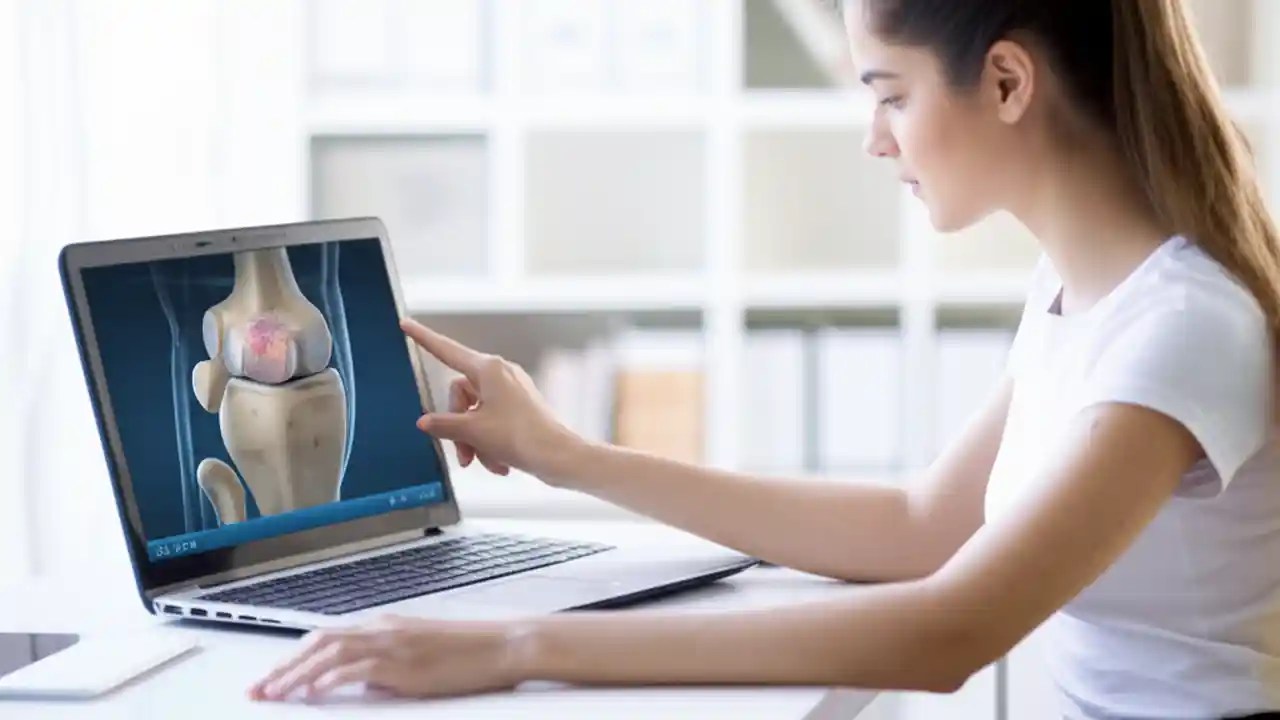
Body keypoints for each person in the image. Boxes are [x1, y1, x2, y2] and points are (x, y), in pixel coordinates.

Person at [249, 0, 1280, 717]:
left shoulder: (1182, 327)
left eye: (888, 93)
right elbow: (921, 530)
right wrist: (571, 456)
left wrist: (517, 649)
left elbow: (948, 629)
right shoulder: (1077, 297)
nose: (875, 140)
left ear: (1006, 81)